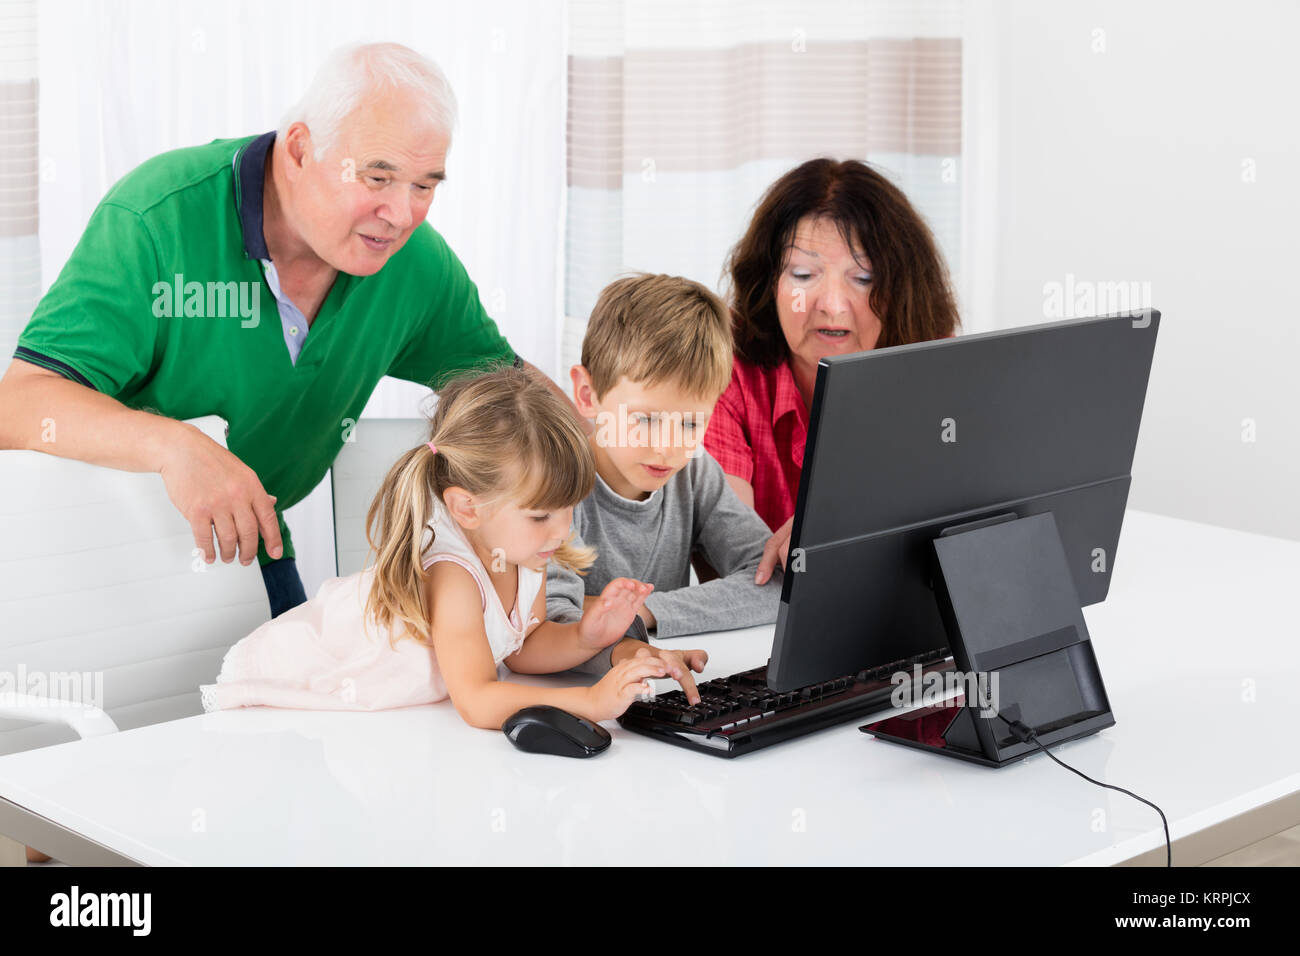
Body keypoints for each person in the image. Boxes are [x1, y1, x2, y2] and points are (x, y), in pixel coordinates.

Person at [0, 42, 574, 622]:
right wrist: (174, 446)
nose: (401, 214)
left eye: (424, 186)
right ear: (300, 149)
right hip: (86, 564)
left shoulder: (412, 263)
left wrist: (627, 439)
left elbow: (514, 399)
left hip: (251, 552)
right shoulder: (155, 218)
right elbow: (20, 404)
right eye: (378, 177)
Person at [201, 365, 708, 726]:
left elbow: (523, 647)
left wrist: (586, 636)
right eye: (540, 515)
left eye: (568, 509)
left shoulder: (525, 554)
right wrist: (590, 702)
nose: (560, 531)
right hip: (303, 677)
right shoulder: (454, 575)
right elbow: (477, 699)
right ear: (468, 508)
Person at [704, 158, 961, 584]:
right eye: (803, 275)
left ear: (901, 289)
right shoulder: (724, 367)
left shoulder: (939, 365)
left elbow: (959, 532)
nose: (832, 304)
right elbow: (741, 560)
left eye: (862, 278)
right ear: (768, 282)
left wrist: (833, 532)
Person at [547, 273, 782, 677]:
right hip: (571, 690)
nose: (669, 448)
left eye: (691, 423)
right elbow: (551, 618)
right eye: (647, 419)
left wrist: (642, 612)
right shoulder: (554, 484)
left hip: (657, 678)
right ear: (588, 395)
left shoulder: (693, 473)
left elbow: (772, 583)